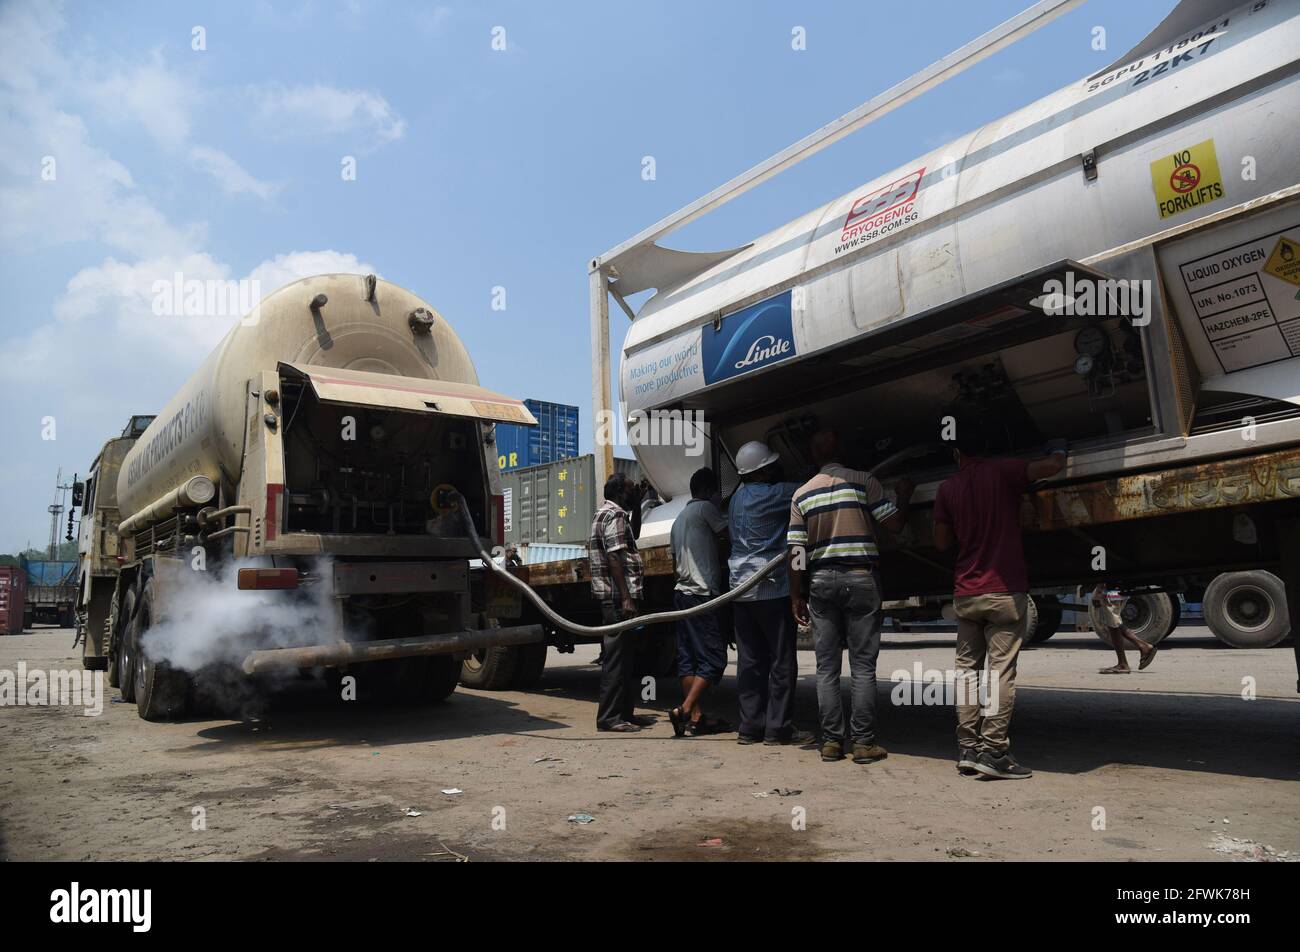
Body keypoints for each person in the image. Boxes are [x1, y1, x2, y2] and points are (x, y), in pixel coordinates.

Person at [932, 425, 1066, 780]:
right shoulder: (1004, 471)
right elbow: (1051, 467)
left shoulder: (948, 488)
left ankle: (967, 750)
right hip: (1005, 590)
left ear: (957, 453)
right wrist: (1059, 448)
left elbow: (941, 543)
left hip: (966, 592)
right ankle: (993, 752)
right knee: (1000, 671)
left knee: (966, 672)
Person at [788, 429, 913, 764]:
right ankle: (863, 743)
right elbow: (896, 525)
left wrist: (796, 594)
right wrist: (904, 494)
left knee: (826, 668)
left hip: (820, 582)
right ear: (840, 449)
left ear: (814, 457)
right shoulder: (864, 482)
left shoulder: (801, 495)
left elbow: (796, 549)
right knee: (862, 667)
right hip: (860, 578)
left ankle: (831, 743)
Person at [727, 441, 813, 747]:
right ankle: (778, 729)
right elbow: (807, 489)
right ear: (763, 471)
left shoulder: (735, 500)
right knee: (781, 661)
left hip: (739, 590)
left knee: (750, 662)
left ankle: (750, 727)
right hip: (771, 589)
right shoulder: (774, 494)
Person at [588, 472, 655, 733]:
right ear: (619, 493)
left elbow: (633, 536)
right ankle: (609, 718)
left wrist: (638, 504)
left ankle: (625, 714)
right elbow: (615, 558)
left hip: (616, 597)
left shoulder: (610, 513)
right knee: (616, 659)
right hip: (617, 598)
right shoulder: (614, 515)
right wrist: (626, 598)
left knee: (625, 659)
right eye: (630, 490)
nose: (633, 493)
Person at [667, 467, 730, 737]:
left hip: (681, 594)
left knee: (687, 659)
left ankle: (696, 718)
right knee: (714, 659)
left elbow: (673, 561)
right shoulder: (706, 508)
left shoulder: (678, 519)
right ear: (707, 491)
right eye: (715, 491)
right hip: (702, 595)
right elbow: (729, 537)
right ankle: (684, 709)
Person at [1093, 582, 1158, 673]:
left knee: (1114, 625)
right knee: (1114, 624)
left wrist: (1098, 592)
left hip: (1110, 593)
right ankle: (1132, 655)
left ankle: (1139, 650)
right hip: (1119, 590)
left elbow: (1104, 571)